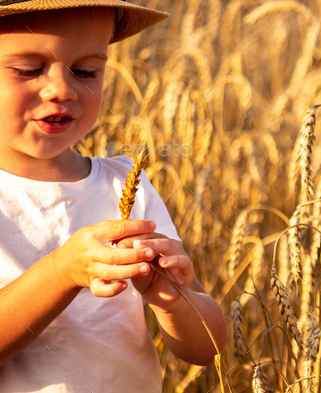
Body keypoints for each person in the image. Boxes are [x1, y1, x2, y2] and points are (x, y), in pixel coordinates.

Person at [0, 2, 227, 392]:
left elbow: (208, 351)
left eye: (86, 71)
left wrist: (174, 301)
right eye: (29, 70)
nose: (62, 89)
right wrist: (62, 273)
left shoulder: (125, 184)